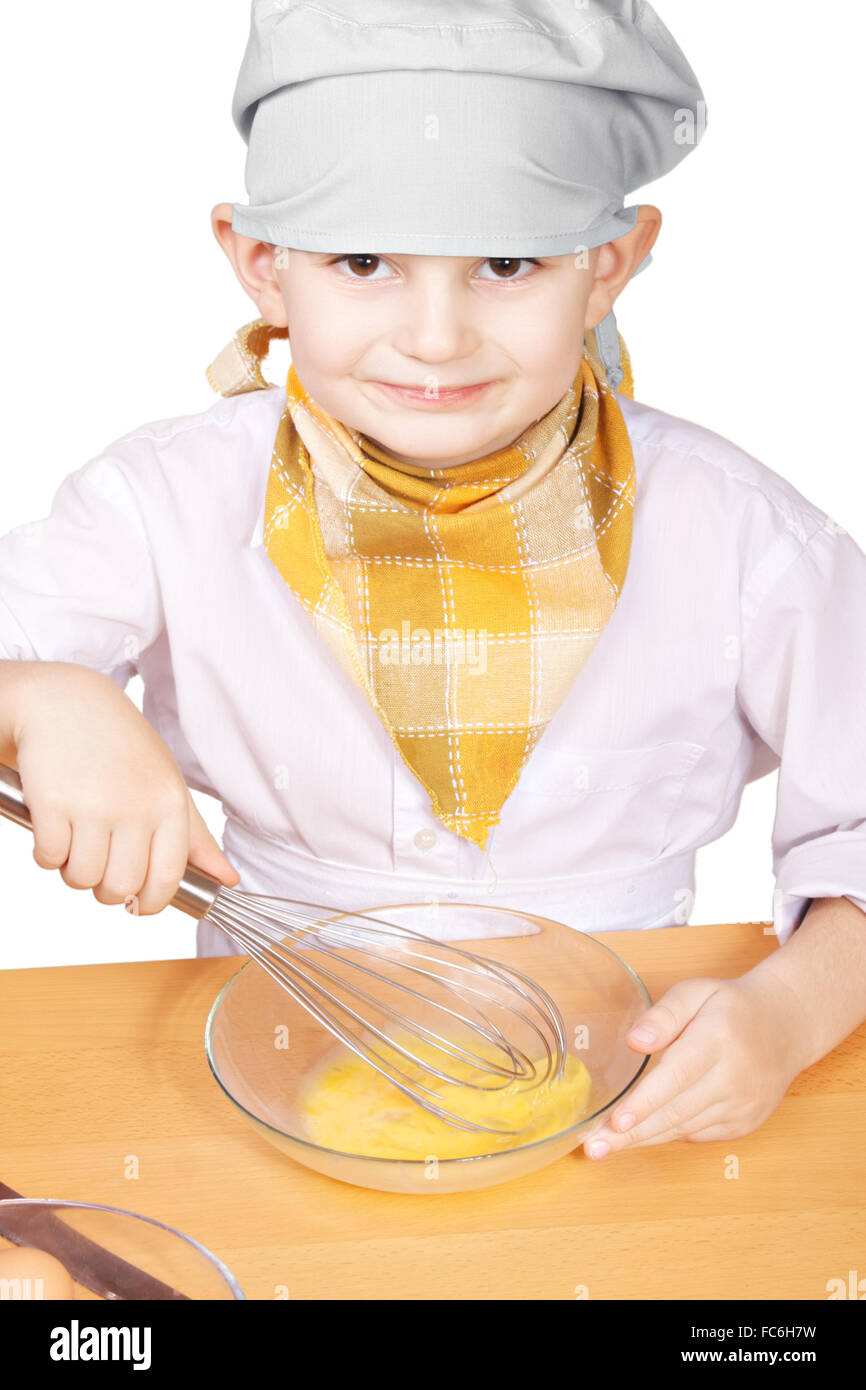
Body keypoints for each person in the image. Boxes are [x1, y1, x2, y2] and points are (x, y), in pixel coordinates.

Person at [1, 1, 865, 1159]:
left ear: (605, 266)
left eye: (506, 262)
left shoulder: (746, 534)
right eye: (363, 260)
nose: (436, 336)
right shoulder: (158, 500)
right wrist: (40, 698)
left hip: (639, 1078)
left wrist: (790, 1011)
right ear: (264, 266)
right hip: (264, 1060)